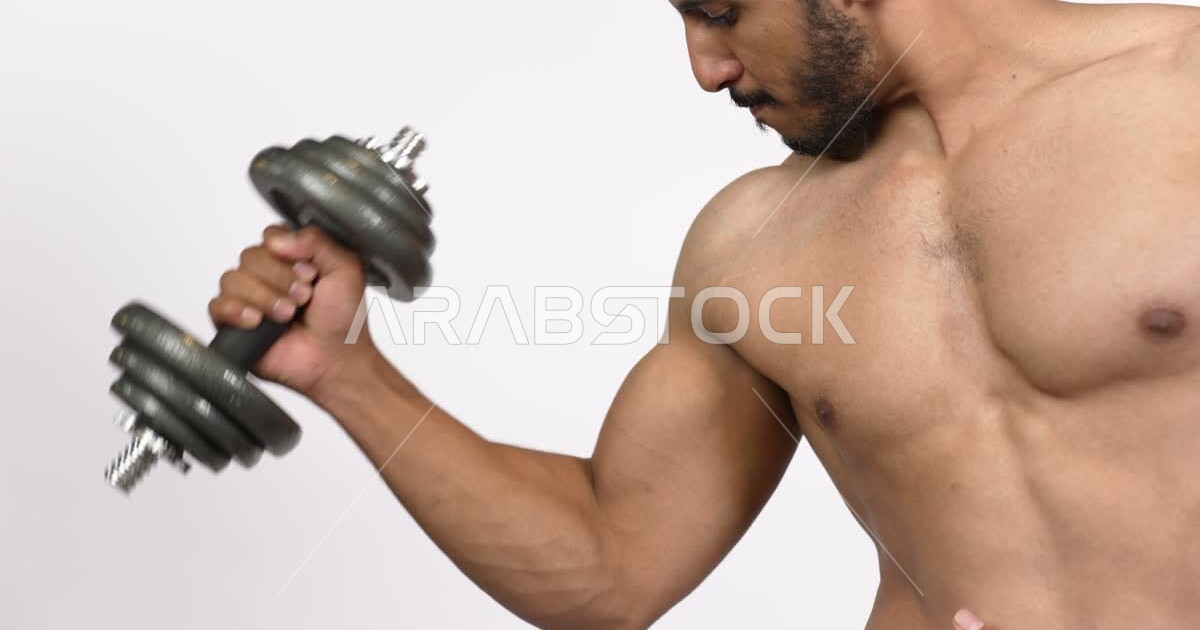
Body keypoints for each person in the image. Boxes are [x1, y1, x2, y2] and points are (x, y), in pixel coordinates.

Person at [208, 0, 1200, 628]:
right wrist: (343, 370)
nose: (704, 68)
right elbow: (612, 569)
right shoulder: (751, 244)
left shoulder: (1182, 89)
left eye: (721, 11)